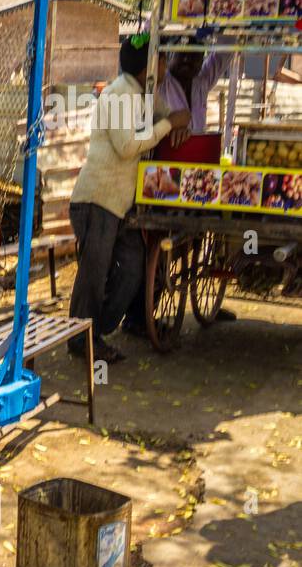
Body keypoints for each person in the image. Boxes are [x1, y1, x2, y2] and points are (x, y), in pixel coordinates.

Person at [68, 34, 192, 363]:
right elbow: (127, 146)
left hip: (120, 203)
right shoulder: (119, 95)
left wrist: (178, 122)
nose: (166, 64)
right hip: (97, 200)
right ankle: (83, 340)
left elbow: (174, 116)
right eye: (161, 59)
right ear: (147, 66)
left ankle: (97, 330)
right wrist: (168, 124)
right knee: (94, 274)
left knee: (132, 270)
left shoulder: (143, 94)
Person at [156, 48, 237, 323]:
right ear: (171, 58)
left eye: (196, 57)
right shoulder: (162, 83)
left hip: (201, 176)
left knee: (208, 228)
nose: (189, 62)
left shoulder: (202, 82)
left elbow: (224, 53)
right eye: (183, 56)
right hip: (167, 174)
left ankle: (207, 281)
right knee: (159, 245)